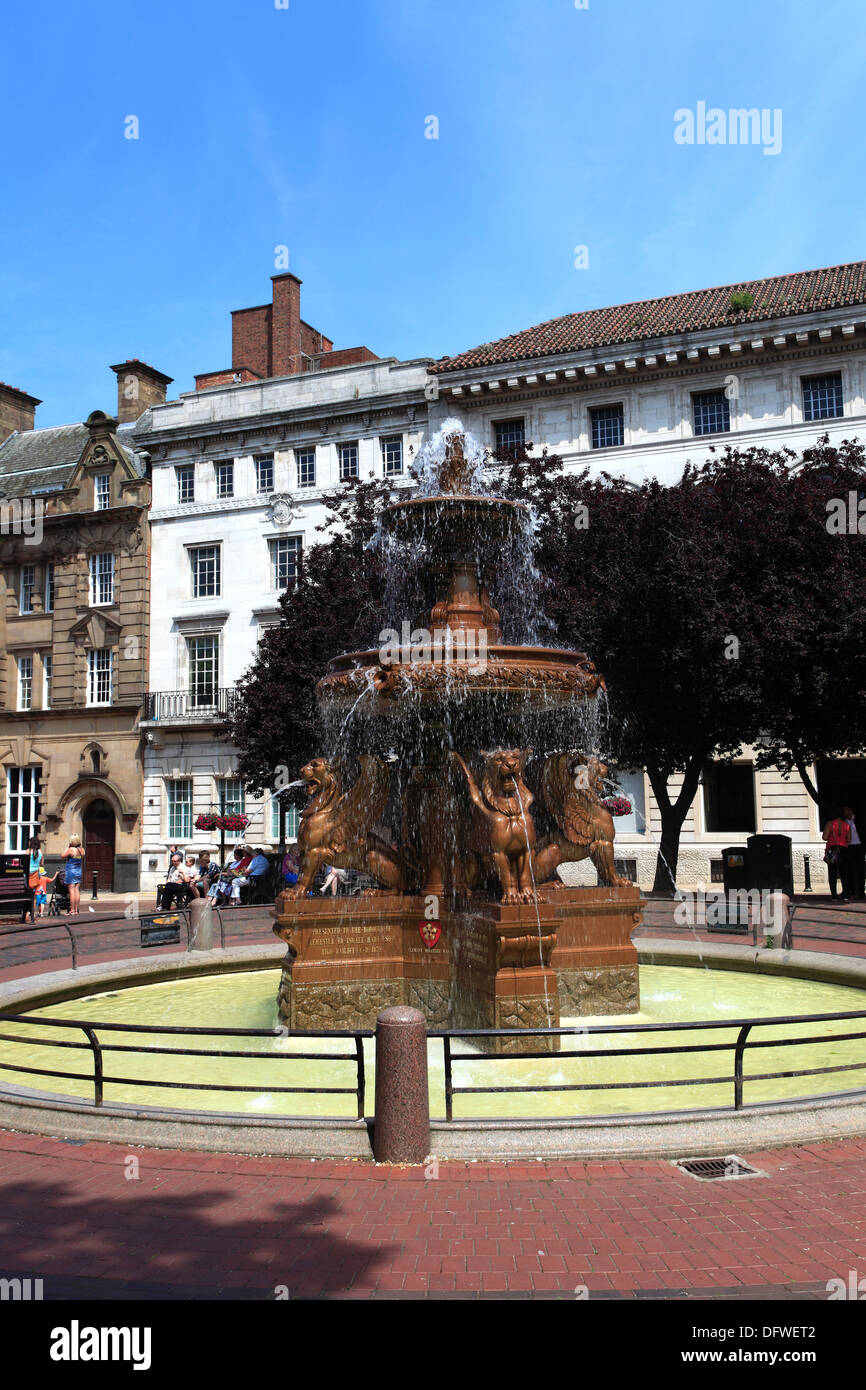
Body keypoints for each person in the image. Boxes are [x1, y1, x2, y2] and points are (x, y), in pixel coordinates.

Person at [823, 810, 851, 900]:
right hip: (843, 849)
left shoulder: (830, 824)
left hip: (832, 849)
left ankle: (834, 895)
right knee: (844, 873)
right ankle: (846, 895)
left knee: (832, 873)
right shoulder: (846, 825)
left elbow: (825, 837)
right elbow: (849, 839)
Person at [841, 807, 865, 902]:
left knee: (859, 870)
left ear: (851, 811)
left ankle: (859, 891)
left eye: (846, 810)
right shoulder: (843, 822)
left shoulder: (858, 820)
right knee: (848, 871)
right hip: (847, 847)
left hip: (858, 846)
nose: (844, 812)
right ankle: (848, 891)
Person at [61, 834, 85, 916]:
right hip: (78, 871)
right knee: (76, 890)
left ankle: (71, 910)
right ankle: (76, 910)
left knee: (71, 891)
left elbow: (62, 855)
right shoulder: (81, 850)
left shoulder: (71, 850)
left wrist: (67, 847)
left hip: (71, 871)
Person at [24, 835, 44, 922]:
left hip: (28, 875)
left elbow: (24, 863)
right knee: (33, 895)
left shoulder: (28, 851)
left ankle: (26, 913)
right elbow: (42, 864)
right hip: (36, 876)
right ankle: (32, 912)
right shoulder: (40, 852)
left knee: (26, 895)